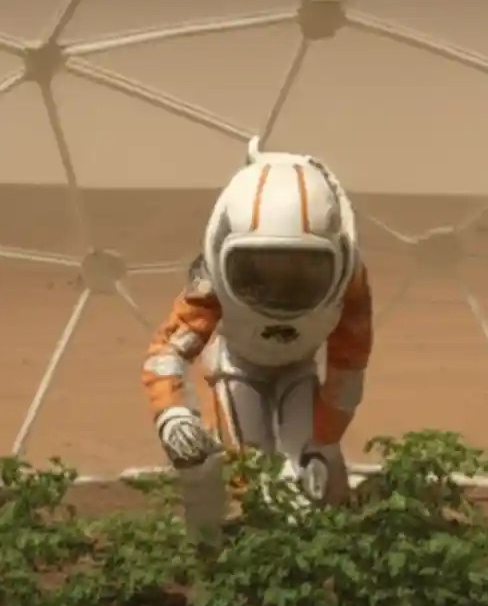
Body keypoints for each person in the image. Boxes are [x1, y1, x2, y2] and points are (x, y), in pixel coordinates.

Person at [139, 142, 373, 543]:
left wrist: (324, 439)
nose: (279, 288)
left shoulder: (349, 282)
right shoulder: (212, 278)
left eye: (300, 273)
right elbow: (168, 352)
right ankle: (216, 550)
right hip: (237, 368)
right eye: (260, 271)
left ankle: (324, 546)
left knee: (308, 474)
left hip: (298, 369)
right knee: (250, 476)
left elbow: (348, 366)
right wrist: (172, 414)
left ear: (334, 257)